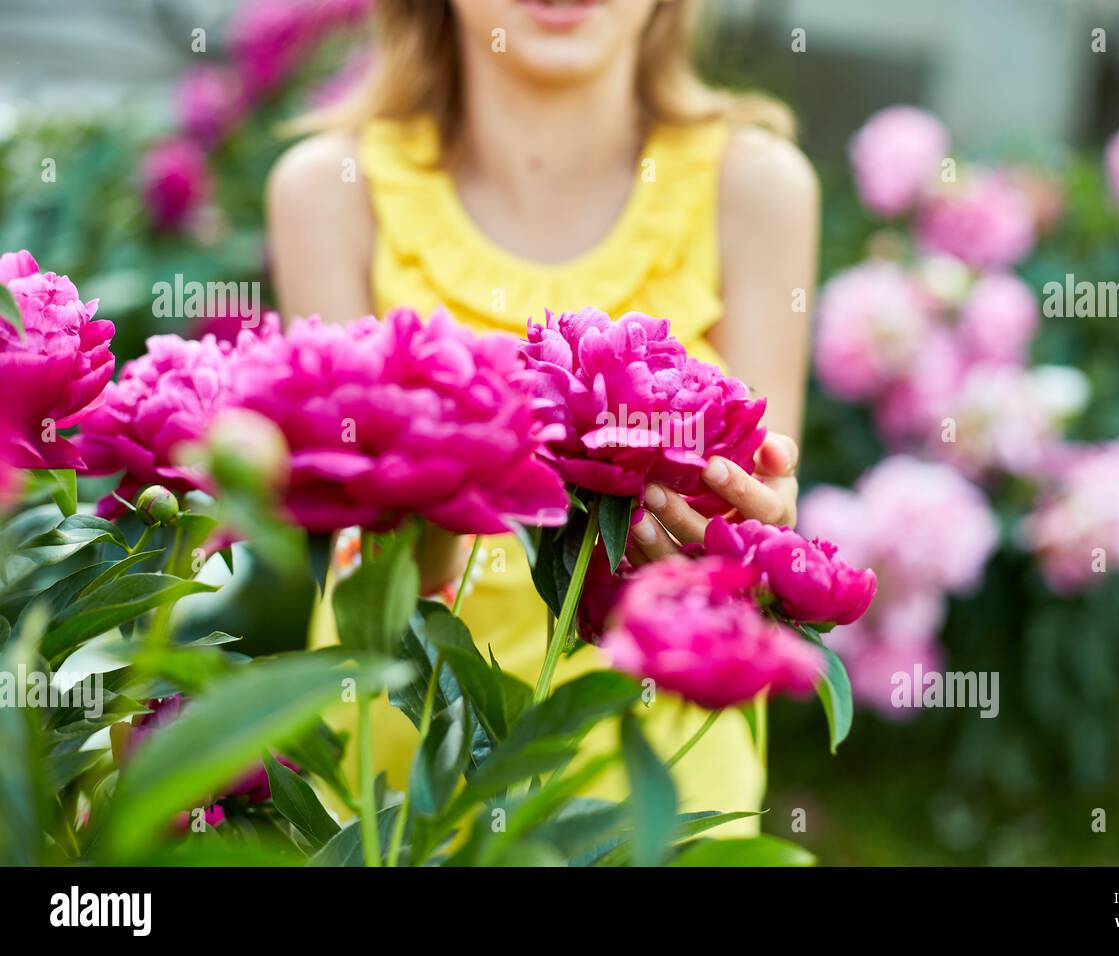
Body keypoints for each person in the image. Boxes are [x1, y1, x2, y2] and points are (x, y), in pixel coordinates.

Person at [266, 0, 818, 832]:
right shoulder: (330, 191)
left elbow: (774, 512)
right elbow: (357, 565)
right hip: (395, 788)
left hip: (661, 785)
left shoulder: (757, 187)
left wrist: (751, 533)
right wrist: (443, 505)